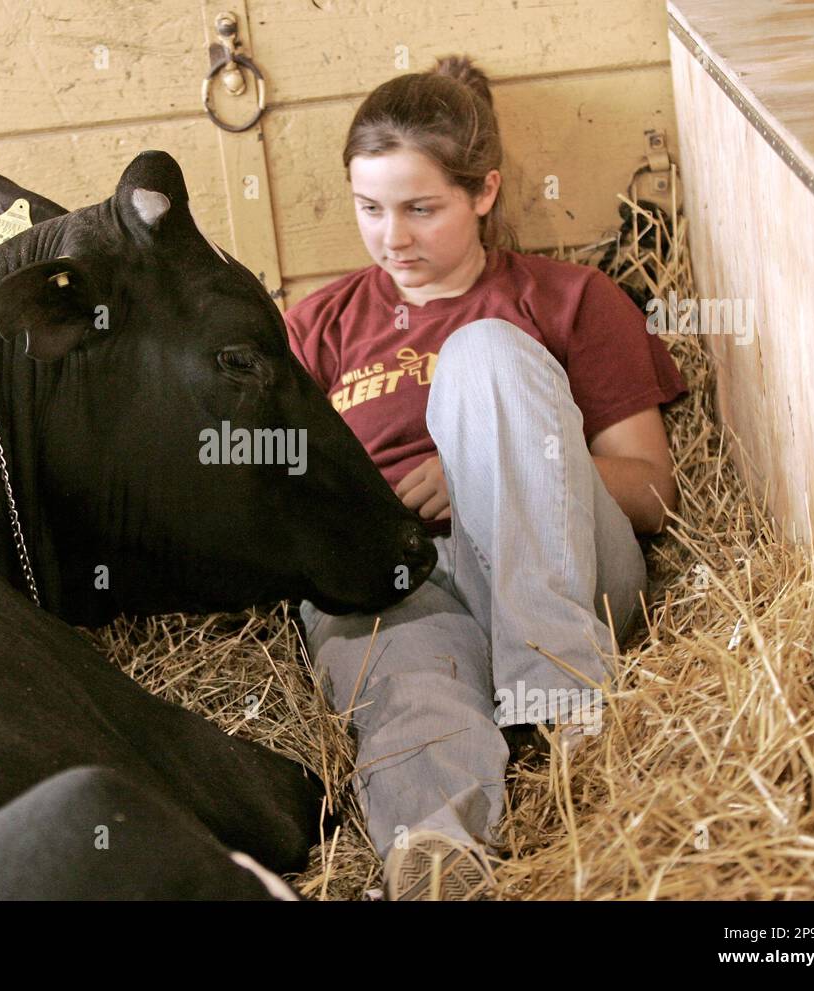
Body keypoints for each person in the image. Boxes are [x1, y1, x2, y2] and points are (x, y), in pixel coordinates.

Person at [284, 54, 689, 901]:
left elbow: (652, 492)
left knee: (485, 355)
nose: (392, 238)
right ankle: (439, 856)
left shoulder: (570, 297)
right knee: (412, 681)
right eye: (370, 209)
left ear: (484, 192)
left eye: (421, 209)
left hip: (564, 564)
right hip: (401, 573)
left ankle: (566, 706)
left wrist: (482, 466)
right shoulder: (318, 327)